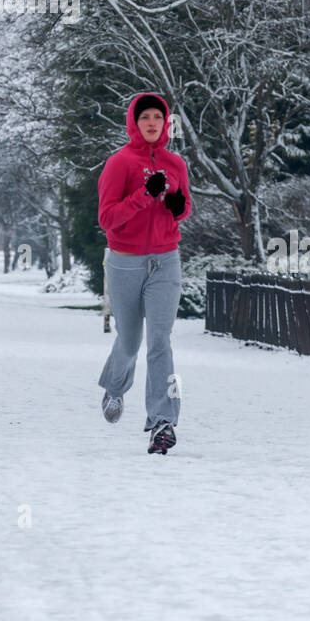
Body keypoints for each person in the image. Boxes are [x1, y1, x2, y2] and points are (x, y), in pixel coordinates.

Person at [97, 92, 191, 456]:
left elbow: (183, 207)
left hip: (165, 259)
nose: (152, 123)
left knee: (160, 341)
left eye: (157, 117)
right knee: (129, 339)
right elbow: (107, 219)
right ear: (134, 123)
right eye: (145, 117)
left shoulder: (175, 163)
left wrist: (178, 207)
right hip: (125, 261)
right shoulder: (119, 163)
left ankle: (162, 422)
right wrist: (143, 196)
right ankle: (116, 387)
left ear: (165, 123)